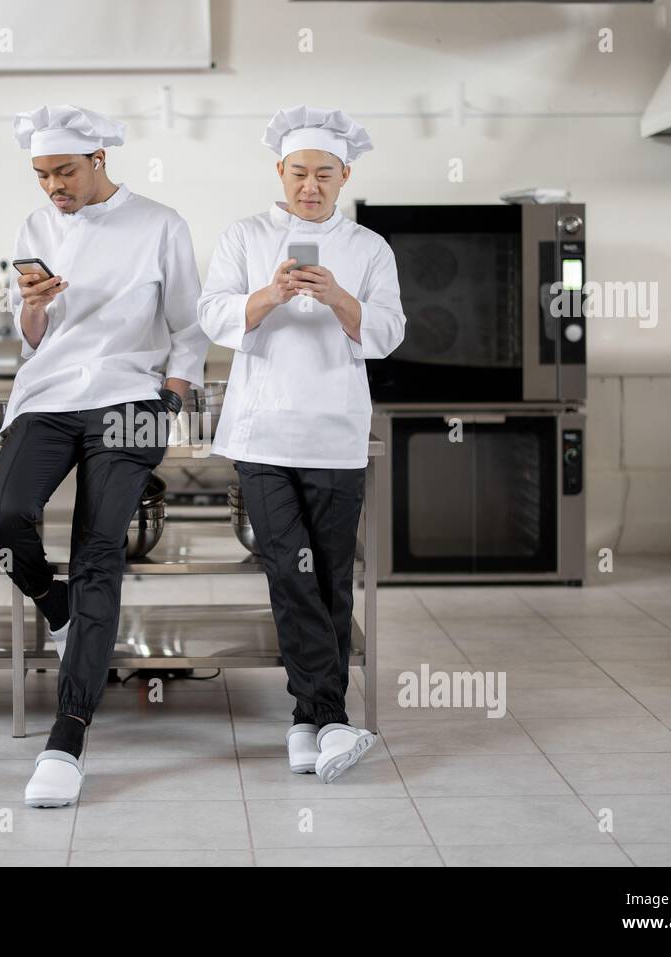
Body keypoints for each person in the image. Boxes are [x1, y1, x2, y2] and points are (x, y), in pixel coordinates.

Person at [0, 104, 210, 808]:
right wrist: (34, 306)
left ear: (100, 157)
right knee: (1, 514)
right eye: (42, 174)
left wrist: (170, 398)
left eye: (65, 171)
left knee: (99, 546)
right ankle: (59, 608)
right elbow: (30, 338)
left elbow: (189, 325)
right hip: (48, 396)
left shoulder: (161, 223)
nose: (53, 186)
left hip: (131, 400)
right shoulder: (36, 227)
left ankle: (69, 733)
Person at [197, 105, 407, 782]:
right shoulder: (246, 235)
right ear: (279, 172)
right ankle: (331, 717)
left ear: (345, 175)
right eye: (298, 172)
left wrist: (340, 297)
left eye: (323, 174)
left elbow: (388, 333)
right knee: (290, 569)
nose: (309, 185)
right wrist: (269, 295)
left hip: (336, 434)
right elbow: (212, 314)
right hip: (262, 430)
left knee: (331, 578)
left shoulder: (370, 248)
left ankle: (307, 719)